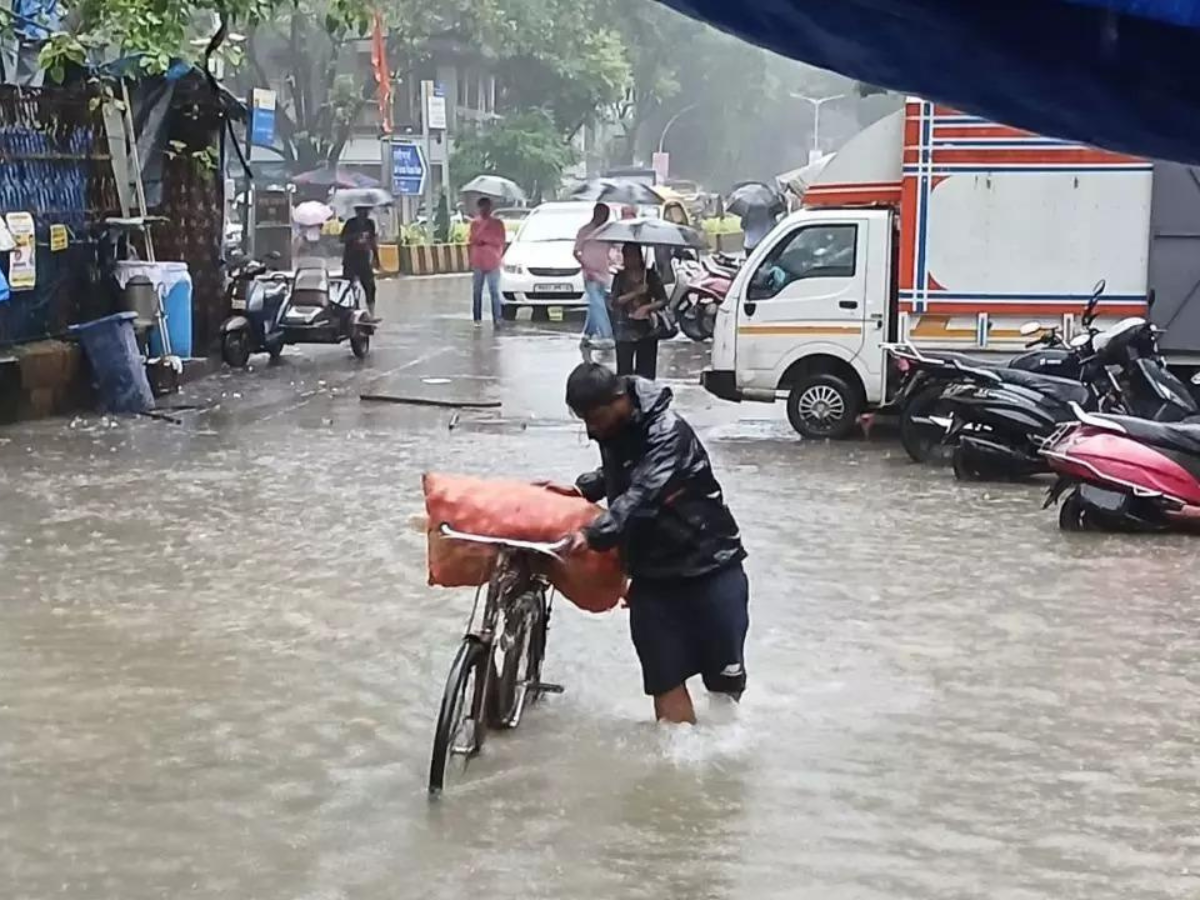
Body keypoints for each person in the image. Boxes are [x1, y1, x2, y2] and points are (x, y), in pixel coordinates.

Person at [564, 363, 749, 725]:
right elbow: (621, 476)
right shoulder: (614, 429)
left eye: (594, 418)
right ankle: (677, 767)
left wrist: (593, 535)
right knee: (664, 679)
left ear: (618, 400)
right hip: (652, 580)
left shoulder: (669, 431)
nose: (590, 430)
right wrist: (576, 491)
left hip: (710, 568)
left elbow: (645, 491)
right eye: (583, 419)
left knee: (724, 686)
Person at [609, 243, 667, 379]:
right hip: (624, 328)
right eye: (627, 256)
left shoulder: (650, 275)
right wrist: (636, 292)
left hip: (647, 329)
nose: (630, 259)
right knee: (624, 372)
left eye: (633, 255)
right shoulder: (620, 277)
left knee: (646, 373)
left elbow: (663, 300)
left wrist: (646, 307)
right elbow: (615, 301)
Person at [574, 203, 615, 353]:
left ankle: (587, 334)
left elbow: (615, 249)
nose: (603, 218)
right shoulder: (585, 231)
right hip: (590, 273)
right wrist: (585, 266)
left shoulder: (607, 232)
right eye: (601, 215)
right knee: (598, 304)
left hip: (604, 272)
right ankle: (606, 335)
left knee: (596, 305)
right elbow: (576, 252)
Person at [468, 197, 507, 325]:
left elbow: (501, 240)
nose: (485, 210)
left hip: (493, 261)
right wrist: (483, 236)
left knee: (494, 291)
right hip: (478, 261)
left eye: (487, 207)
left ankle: (497, 318)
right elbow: (473, 239)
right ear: (479, 209)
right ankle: (477, 319)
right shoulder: (475, 224)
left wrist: (487, 240)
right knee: (476, 291)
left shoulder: (498, 223)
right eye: (482, 207)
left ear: (491, 208)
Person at [341, 205, 380, 318]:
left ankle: (371, 313)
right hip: (350, 259)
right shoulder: (350, 223)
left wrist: (376, 257)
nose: (365, 213)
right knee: (348, 287)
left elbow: (373, 241)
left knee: (370, 287)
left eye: (367, 211)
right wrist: (354, 236)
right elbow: (341, 239)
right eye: (362, 211)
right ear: (357, 211)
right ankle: (351, 311)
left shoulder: (370, 224)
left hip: (364, 259)